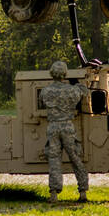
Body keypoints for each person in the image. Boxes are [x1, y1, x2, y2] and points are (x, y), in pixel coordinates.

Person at [39, 61, 90, 204]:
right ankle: (83, 192)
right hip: (68, 126)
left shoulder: (45, 91)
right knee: (75, 158)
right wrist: (76, 82)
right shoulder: (73, 90)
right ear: (65, 74)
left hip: (53, 127)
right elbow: (84, 91)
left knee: (54, 160)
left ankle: (54, 194)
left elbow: (41, 101)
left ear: (51, 74)